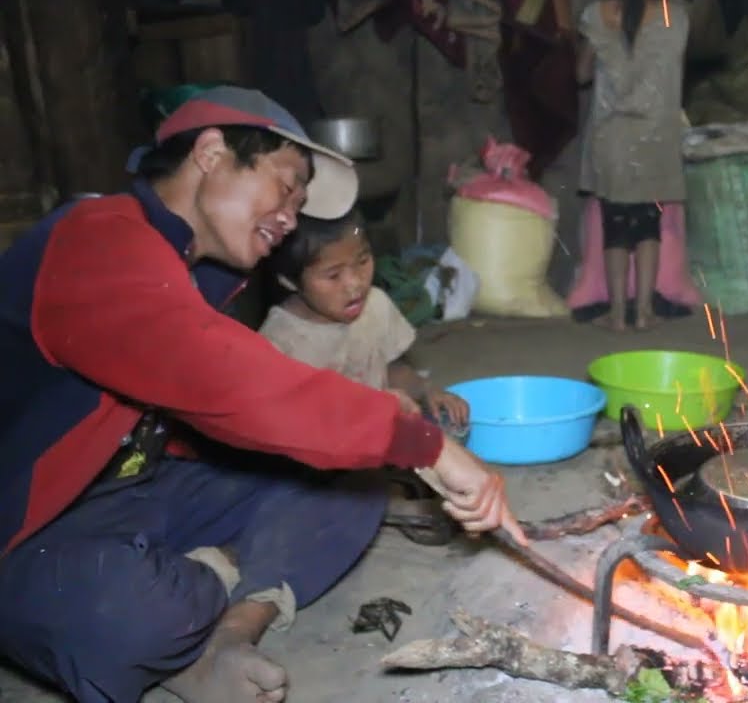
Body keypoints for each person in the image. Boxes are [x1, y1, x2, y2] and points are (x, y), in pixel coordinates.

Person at [0, 86, 525, 703]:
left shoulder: (203, 272)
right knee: (133, 615)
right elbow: (228, 379)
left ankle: (227, 638)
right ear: (212, 153)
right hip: (33, 521)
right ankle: (197, 594)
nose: (290, 214)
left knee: (353, 493)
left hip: (138, 488)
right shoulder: (96, 238)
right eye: (284, 185)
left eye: (301, 203)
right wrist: (424, 445)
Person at [260, 215, 470, 425]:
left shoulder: (375, 304)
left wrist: (425, 389)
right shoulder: (278, 342)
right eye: (334, 276)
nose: (355, 284)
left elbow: (389, 369)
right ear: (289, 281)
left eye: (362, 262)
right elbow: (284, 422)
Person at [576, 0, 689, 331]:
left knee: (616, 227)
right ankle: (642, 313)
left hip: (613, 138)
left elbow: (580, 74)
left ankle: (616, 314)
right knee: (647, 225)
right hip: (656, 137)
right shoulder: (676, 16)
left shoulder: (597, 16)